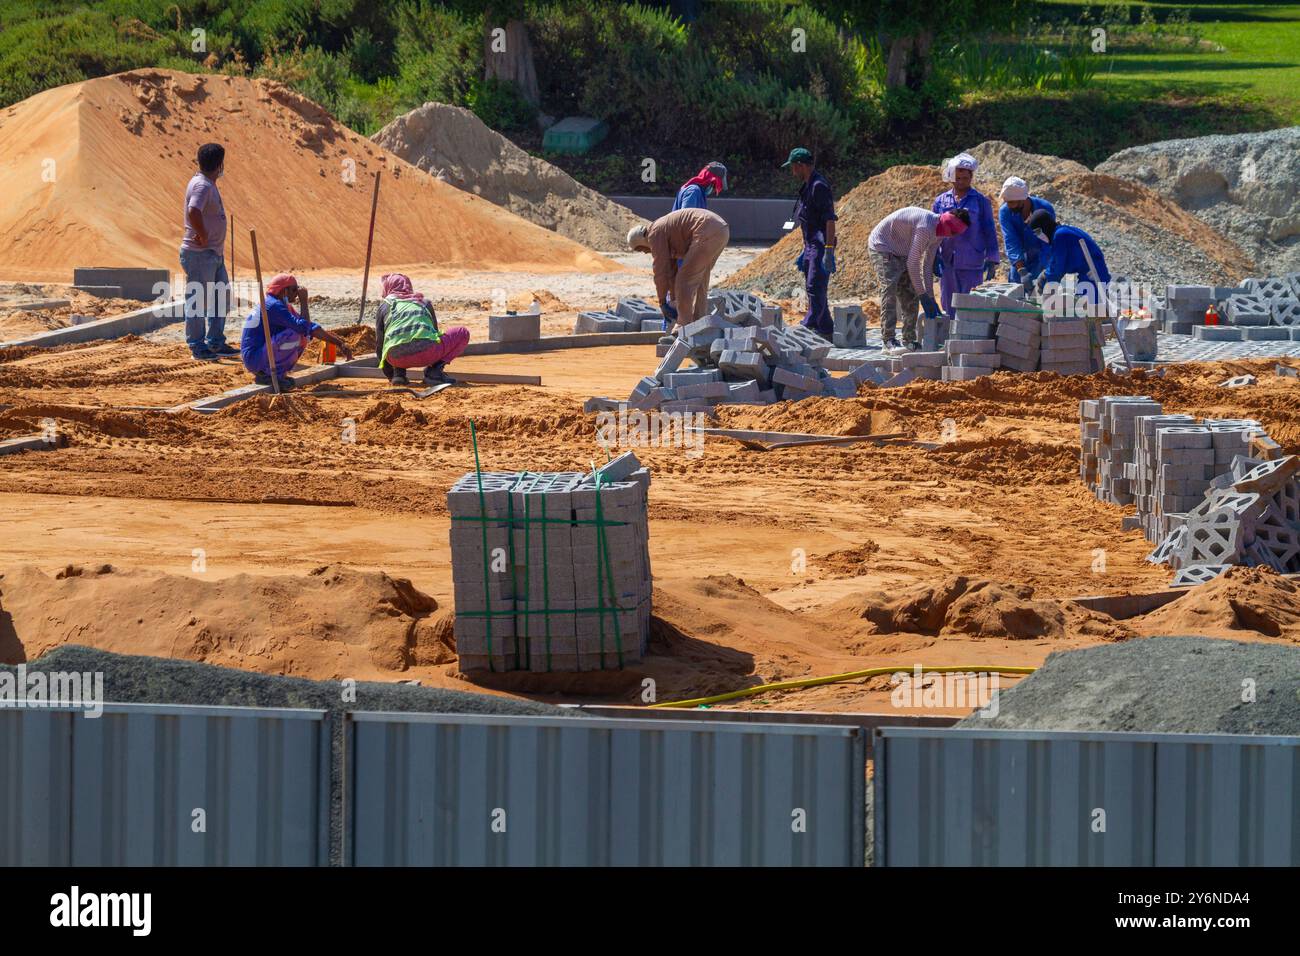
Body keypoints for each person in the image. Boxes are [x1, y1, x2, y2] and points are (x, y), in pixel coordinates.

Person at [868, 207, 970, 349]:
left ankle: (908, 339)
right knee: (890, 290)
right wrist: (923, 294)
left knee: (910, 295)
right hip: (883, 246)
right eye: (952, 232)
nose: (951, 236)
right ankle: (888, 339)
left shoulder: (940, 233)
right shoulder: (925, 227)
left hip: (902, 251)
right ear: (947, 223)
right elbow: (913, 263)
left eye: (954, 234)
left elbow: (927, 265)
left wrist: (930, 296)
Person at [240, 273, 354, 387]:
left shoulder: (281, 305)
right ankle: (268, 375)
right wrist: (304, 301)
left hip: (259, 355)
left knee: (303, 335)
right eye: (294, 290)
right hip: (254, 358)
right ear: (284, 291)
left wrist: (339, 343)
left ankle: (277, 374)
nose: (297, 294)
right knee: (294, 334)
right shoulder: (273, 305)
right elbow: (302, 327)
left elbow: (309, 327)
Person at [626, 207, 730, 327]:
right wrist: (674, 301)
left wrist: (662, 302)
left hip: (706, 230)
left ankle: (683, 327)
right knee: (699, 279)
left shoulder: (654, 234)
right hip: (721, 230)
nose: (644, 252)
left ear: (641, 240)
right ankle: (699, 324)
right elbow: (671, 271)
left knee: (684, 280)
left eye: (641, 249)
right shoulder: (664, 232)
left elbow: (661, 271)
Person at [180, 143, 236, 361]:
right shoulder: (202, 185)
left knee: (220, 297)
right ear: (219, 164)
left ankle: (215, 342)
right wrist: (202, 235)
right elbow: (193, 210)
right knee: (197, 300)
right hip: (200, 255)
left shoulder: (207, 183)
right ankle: (197, 345)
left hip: (214, 254)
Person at [374, 273, 470, 386]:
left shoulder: (385, 306)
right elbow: (434, 335)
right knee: (462, 333)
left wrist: (391, 375)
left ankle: (398, 374)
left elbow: (380, 344)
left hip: (395, 358)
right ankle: (434, 373)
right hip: (427, 355)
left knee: (395, 338)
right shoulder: (424, 302)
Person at [932, 152, 999, 313]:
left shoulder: (981, 201)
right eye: (957, 178)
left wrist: (992, 259)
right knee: (949, 302)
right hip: (948, 260)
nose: (961, 182)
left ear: (971, 177)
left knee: (971, 304)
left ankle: (969, 336)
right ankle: (951, 335)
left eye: (965, 178)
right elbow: (933, 231)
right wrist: (934, 257)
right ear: (951, 177)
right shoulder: (941, 201)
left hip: (973, 261)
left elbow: (989, 230)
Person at [783, 147, 837, 338]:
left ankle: (811, 325)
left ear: (801, 165)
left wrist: (828, 250)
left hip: (820, 245)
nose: (792, 171)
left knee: (815, 285)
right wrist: (804, 250)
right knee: (813, 285)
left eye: (793, 167)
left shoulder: (818, 186)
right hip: (810, 244)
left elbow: (830, 220)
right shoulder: (808, 185)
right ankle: (826, 328)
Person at [1026, 209, 1111, 301]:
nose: (1038, 236)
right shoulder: (1063, 232)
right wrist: (1046, 274)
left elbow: (1058, 267)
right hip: (1092, 273)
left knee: (1090, 309)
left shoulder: (1060, 236)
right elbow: (1060, 262)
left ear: (1045, 227)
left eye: (1038, 232)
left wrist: (1048, 283)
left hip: (1094, 275)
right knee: (1083, 307)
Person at [998, 177, 1056, 284]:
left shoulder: (1045, 208)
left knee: (1039, 293)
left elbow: (1048, 240)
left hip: (1041, 256)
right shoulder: (1005, 211)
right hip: (1019, 259)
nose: (1009, 206)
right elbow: (1011, 240)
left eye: (1012, 203)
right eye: (1007, 202)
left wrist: (1044, 269)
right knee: (1015, 291)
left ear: (1023, 199)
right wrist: (1021, 270)